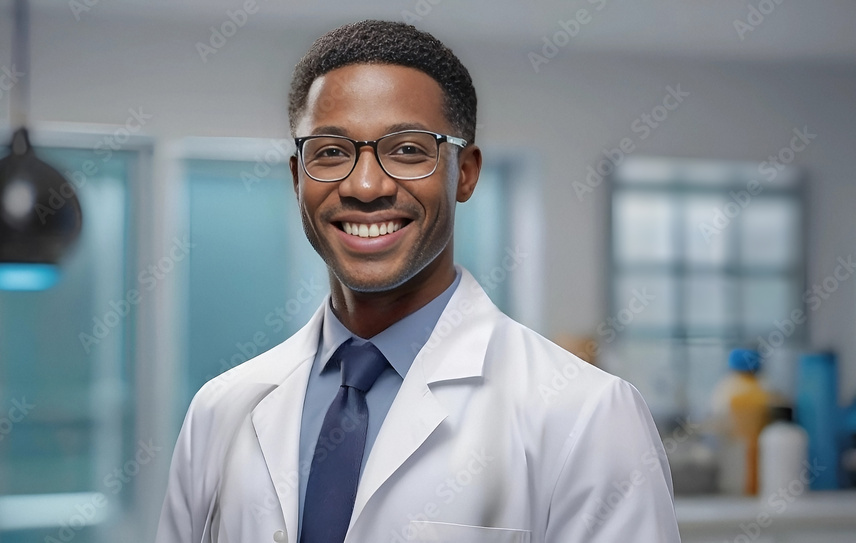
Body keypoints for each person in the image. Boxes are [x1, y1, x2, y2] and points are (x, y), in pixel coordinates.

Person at [156, 20, 681, 543]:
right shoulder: (220, 410)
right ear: (298, 177)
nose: (365, 186)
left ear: (466, 172)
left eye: (408, 150)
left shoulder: (587, 416)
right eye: (331, 152)